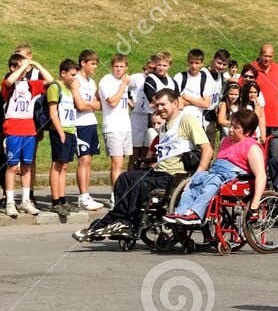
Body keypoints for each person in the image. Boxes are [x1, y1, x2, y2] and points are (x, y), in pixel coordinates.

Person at [73, 88, 212, 243]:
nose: (159, 108)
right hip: (159, 171)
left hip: (175, 176)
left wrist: (197, 175)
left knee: (141, 184)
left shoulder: (187, 120)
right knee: (125, 178)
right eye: (157, 105)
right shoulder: (165, 126)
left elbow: (207, 149)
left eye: (163, 104)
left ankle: (114, 223)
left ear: (175, 103)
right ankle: (115, 222)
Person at [166, 108, 266, 224]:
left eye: (236, 128)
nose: (231, 130)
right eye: (231, 125)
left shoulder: (252, 147)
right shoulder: (225, 141)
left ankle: (196, 213)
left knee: (212, 183)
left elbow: (261, 176)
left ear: (247, 132)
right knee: (196, 180)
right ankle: (181, 212)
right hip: (216, 171)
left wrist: (255, 205)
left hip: (234, 176)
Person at [1, 52, 52, 217]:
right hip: (13, 128)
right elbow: (9, 81)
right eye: (21, 67)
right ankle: (9, 201)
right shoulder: (8, 84)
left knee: (27, 166)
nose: (25, 71)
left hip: (29, 129)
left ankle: (25, 200)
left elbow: (50, 81)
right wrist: (23, 65)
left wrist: (36, 65)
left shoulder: (31, 84)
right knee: (12, 166)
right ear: (13, 67)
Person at [44, 59, 81, 212]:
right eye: (72, 74)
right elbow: (53, 112)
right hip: (60, 131)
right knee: (57, 164)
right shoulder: (55, 87)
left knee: (64, 166)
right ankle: (55, 200)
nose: (74, 77)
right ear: (63, 73)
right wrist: (60, 132)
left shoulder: (69, 89)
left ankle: (62, 198)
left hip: (70, 130)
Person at [72, 49, 104, 210]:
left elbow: (99, 105)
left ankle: (87, 195)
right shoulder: (75, 80)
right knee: (83, 159)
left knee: (89, 160)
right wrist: (89, 105)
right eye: (92, 63)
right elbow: (80, 105)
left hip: (91, 123)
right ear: (83, 63)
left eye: (96, 63)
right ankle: (83, 196)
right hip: (79, 124)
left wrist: (89, 105)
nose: (95, 67)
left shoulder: (92, 83)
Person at [98, 52, 135, 186]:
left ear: (126, 68)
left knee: (123, 162)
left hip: (126, 126)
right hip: (113, 127)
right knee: (117, 164)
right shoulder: (107, 81)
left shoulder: (125, 82)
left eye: (122, 66)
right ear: (112, 67)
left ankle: (120, 191)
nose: (119, 69)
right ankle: (116, 194)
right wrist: (123, 85)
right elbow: (112, 102)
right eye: (116, 66)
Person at [248, 43, 278, 135]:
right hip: (256, 117)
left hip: (274, 119)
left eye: (270, 56)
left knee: (275, 147)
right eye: (265, 56)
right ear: (260, 54)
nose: (267, 59)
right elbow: (241, 85)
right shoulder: (252, 68)